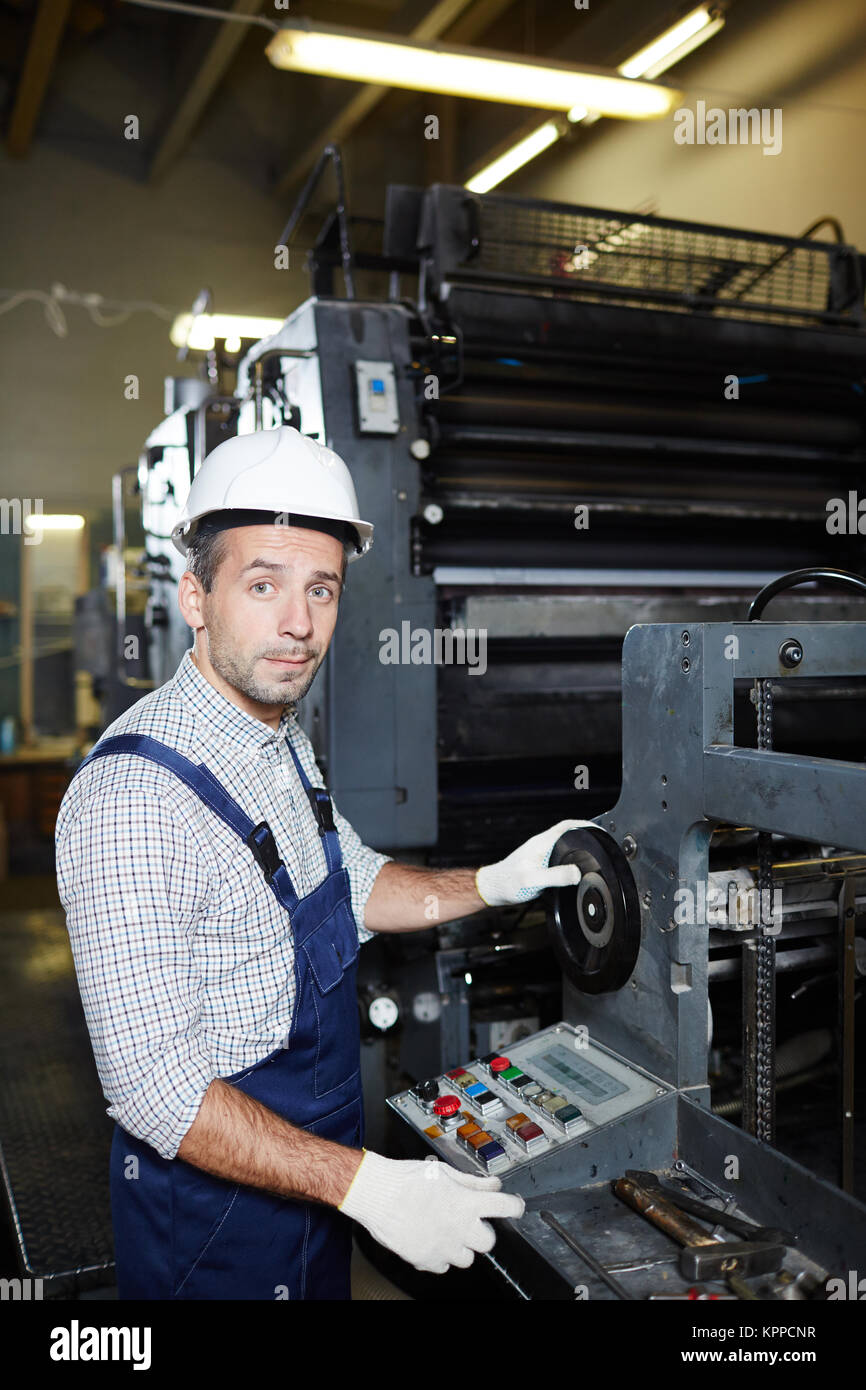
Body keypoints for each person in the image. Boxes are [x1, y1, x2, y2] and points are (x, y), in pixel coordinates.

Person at [56, 426, 582, 1300]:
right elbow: (154, 1087)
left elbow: (348, 879)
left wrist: (489, 882)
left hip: (309, 1184)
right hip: (213, 1226)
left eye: (322, 590)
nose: (299, 624)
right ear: (195, 596)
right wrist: (366, 1185)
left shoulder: (278, 738)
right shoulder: (135, 799)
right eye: (263, 585)